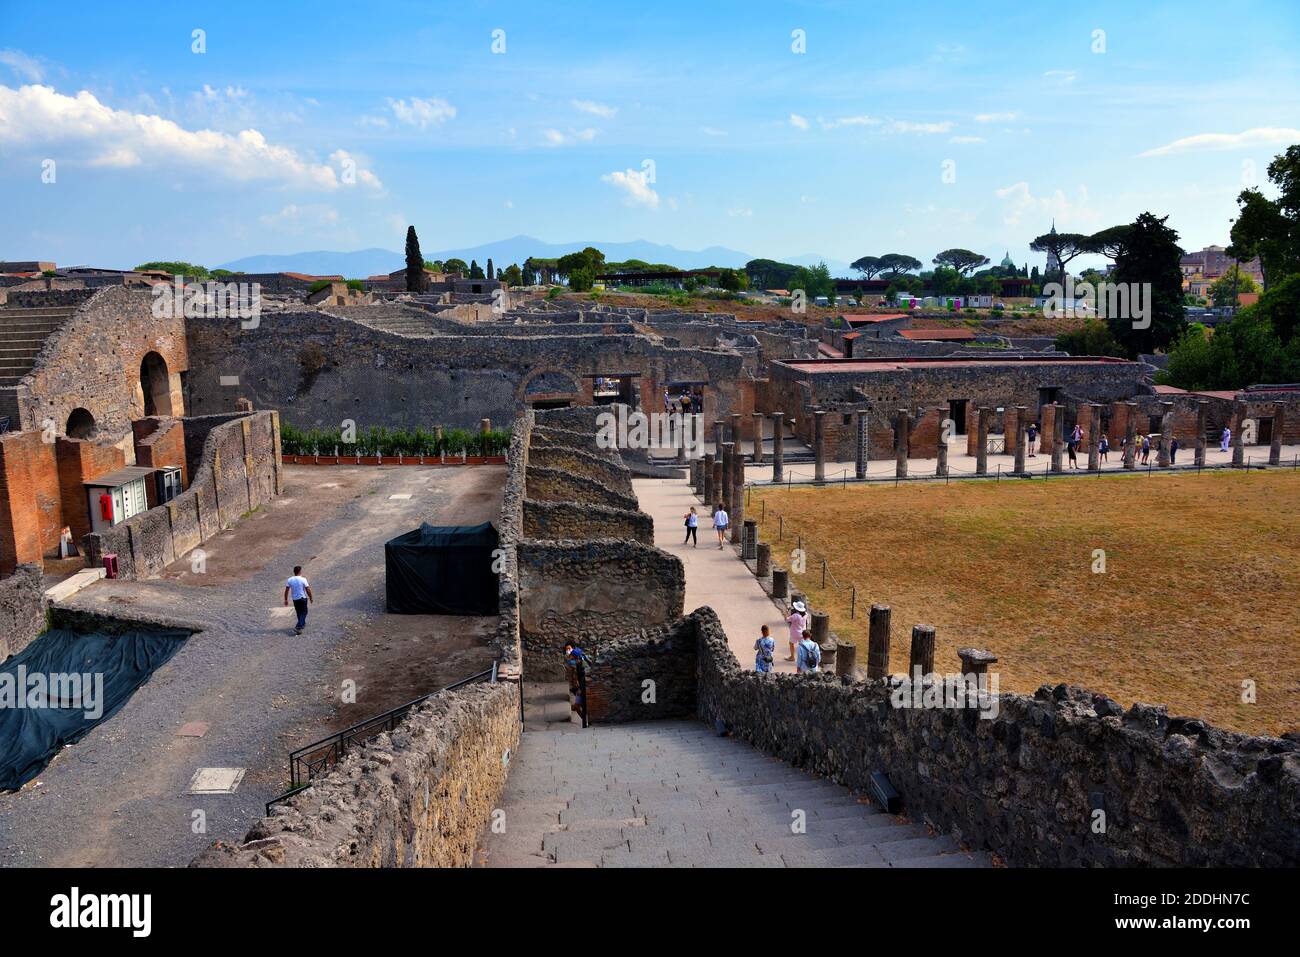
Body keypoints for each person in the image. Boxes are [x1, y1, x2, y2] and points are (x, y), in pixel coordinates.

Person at [563, 641, 591, 728]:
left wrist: (580, 689)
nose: (571, 659)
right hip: (580, 689)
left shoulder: (582, 666)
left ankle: (586, 722)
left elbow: (584, 679)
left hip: (582, 689)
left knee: (578, 707)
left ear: (575, 657)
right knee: (578, 707)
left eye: (572, 658)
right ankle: (585, 722)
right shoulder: (578, 665)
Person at [283, 565, 313, 635]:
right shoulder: (303, 579)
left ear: (294, 572)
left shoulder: (290, 579)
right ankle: (298, 627)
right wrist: (311, 597)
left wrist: (286, 599)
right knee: (304, 612)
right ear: (300, 571)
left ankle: (302, 624)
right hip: (302, 598)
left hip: (295, 599)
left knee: (299, 612)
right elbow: (307, 589)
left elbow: (286, 590)